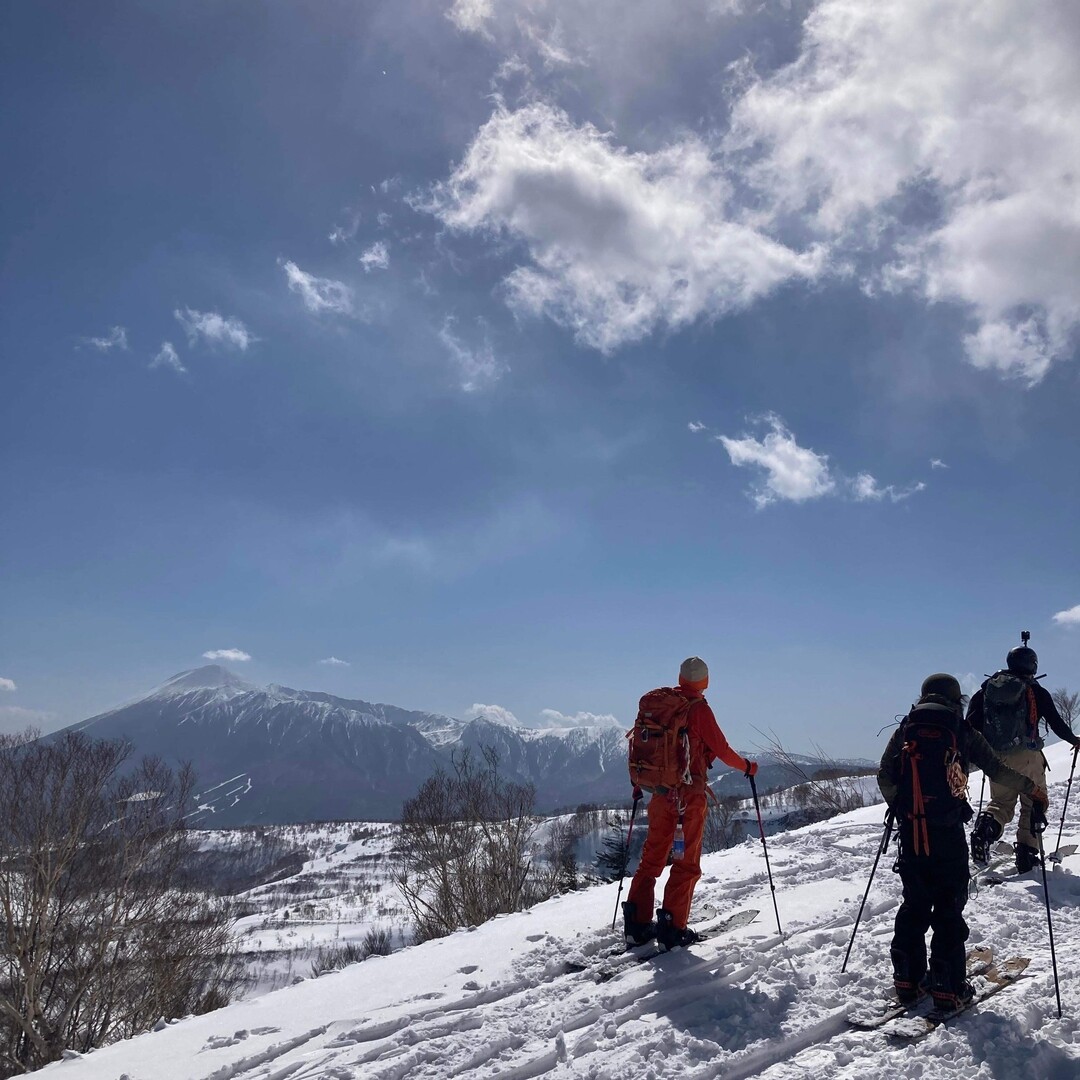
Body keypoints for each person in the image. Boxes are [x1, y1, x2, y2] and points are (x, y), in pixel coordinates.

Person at [878, 673, 1048, 1010]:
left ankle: (907, 980)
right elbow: (997, 770)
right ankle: (947, 986)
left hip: (912, 834)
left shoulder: (907, 729)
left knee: (914, 903)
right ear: (955, 698)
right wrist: (1032, 788)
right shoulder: (960, 730)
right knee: (947, 905)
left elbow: (885, 775)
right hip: (946, 834)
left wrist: (903, 810)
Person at [623, 656, 757, 949]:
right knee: (685, 863)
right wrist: (747, 766)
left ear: (681, 678)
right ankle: (673, 928)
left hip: (660, 795)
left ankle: (637, 922)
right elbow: (721, 749)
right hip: (688, 800)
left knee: (653, 858)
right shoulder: (698, 710)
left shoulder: (663, 706)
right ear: (705, 682)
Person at [967, 644, 1080, 872]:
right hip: (1027, 756)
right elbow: (1056, 723)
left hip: (995, 759)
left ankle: (985, 829)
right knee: (1033, 802)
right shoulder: (1035, 691)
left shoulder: (985, 692)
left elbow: (970, 725)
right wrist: (1074, 740)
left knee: (1000, 803)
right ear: (1033, 665)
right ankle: (1027, 855)